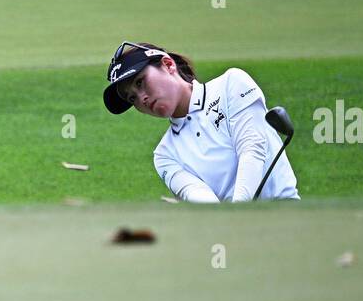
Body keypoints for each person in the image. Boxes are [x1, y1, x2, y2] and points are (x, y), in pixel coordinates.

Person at [102, 42, 299, 202]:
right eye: (132, 98)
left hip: (288, 219)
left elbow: (252, 150)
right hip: (235, 236)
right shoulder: (164, 155)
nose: (141, 99)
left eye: (140, 82)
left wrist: (238, 212)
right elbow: (201, 199)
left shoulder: (232, 83)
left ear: (168, 65)